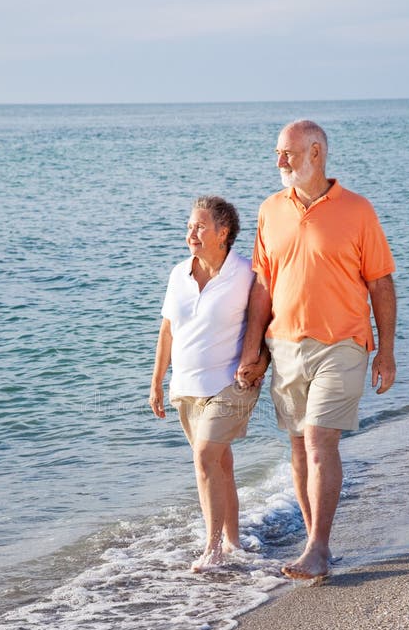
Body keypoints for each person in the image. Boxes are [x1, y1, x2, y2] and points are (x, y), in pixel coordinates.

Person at [237, 120, 396, 581]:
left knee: (319, 439)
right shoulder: (270, 210)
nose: (279, 161)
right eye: (277, 153)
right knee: (299, 446)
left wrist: (385, 352)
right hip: (284, 346)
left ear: (315, 153)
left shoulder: (358, 210)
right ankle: (314, 542)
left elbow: (380, 283)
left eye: (287, 153)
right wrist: (253, 351)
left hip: (343, 343)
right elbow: (263, 286)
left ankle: (319, 548)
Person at [149, 196, 268, 573]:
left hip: (230, 383)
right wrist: (156, 383)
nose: (191, 234)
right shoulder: (178, 274)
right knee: (219, 463)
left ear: (224, 232)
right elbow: (167, 331)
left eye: (200, 227)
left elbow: (265, 324)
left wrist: (260, 362)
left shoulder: (247, 274)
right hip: (185, 384)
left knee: (204, 457)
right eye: (189, 226)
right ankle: (233, 542)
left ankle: (212, 547)